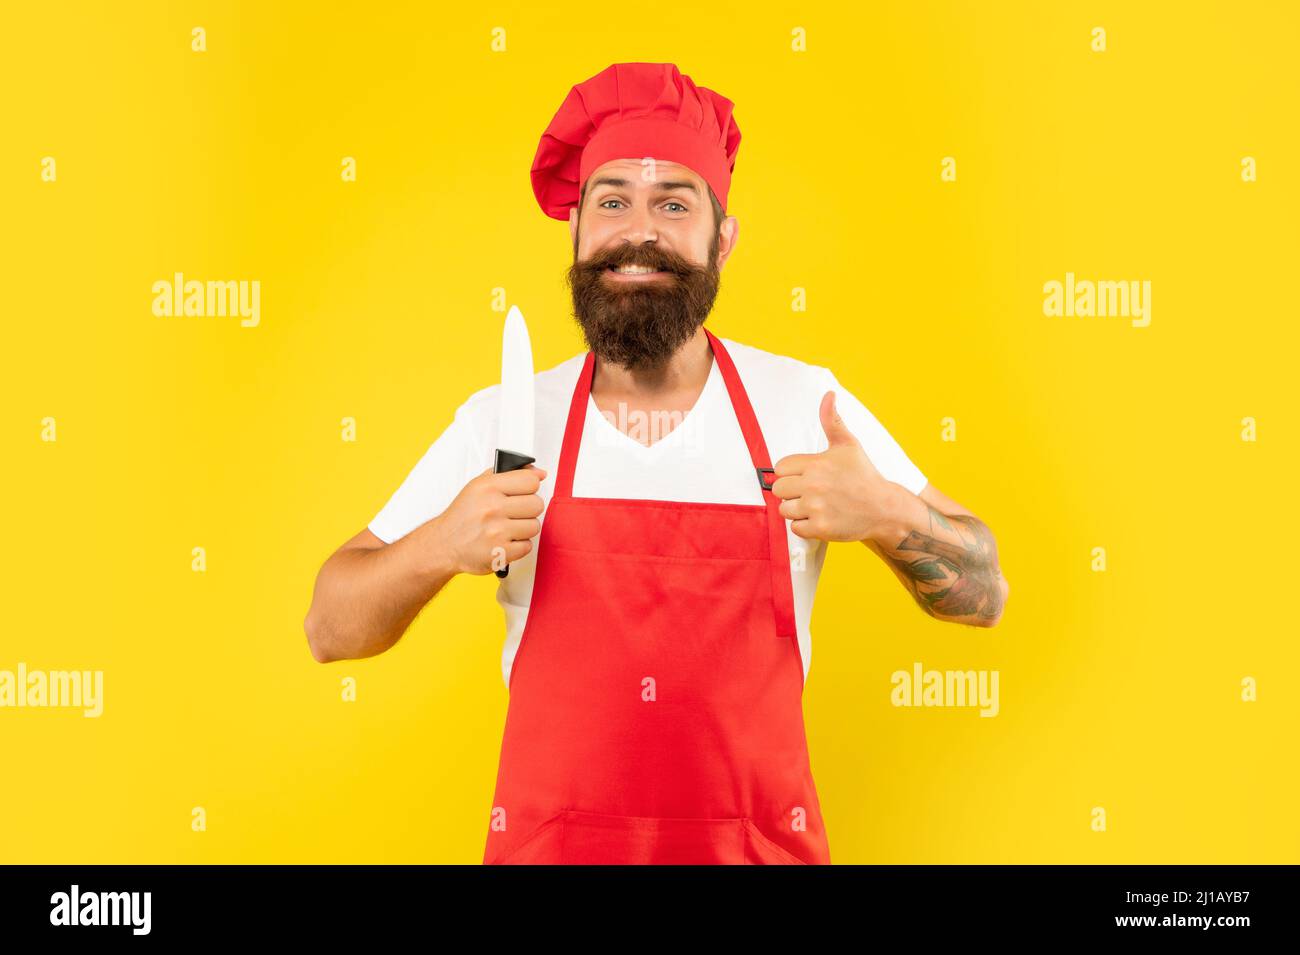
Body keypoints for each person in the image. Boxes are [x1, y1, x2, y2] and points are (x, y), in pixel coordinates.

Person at [303, 62, 1009, 864]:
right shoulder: (507, 421)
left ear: (723, 237)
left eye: (674, 203)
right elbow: (329, 628)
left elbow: (984, 596)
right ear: (576, 229)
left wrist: (891, 513)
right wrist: (440, 543)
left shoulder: (803, 407)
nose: (639, 233)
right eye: (612, 202)